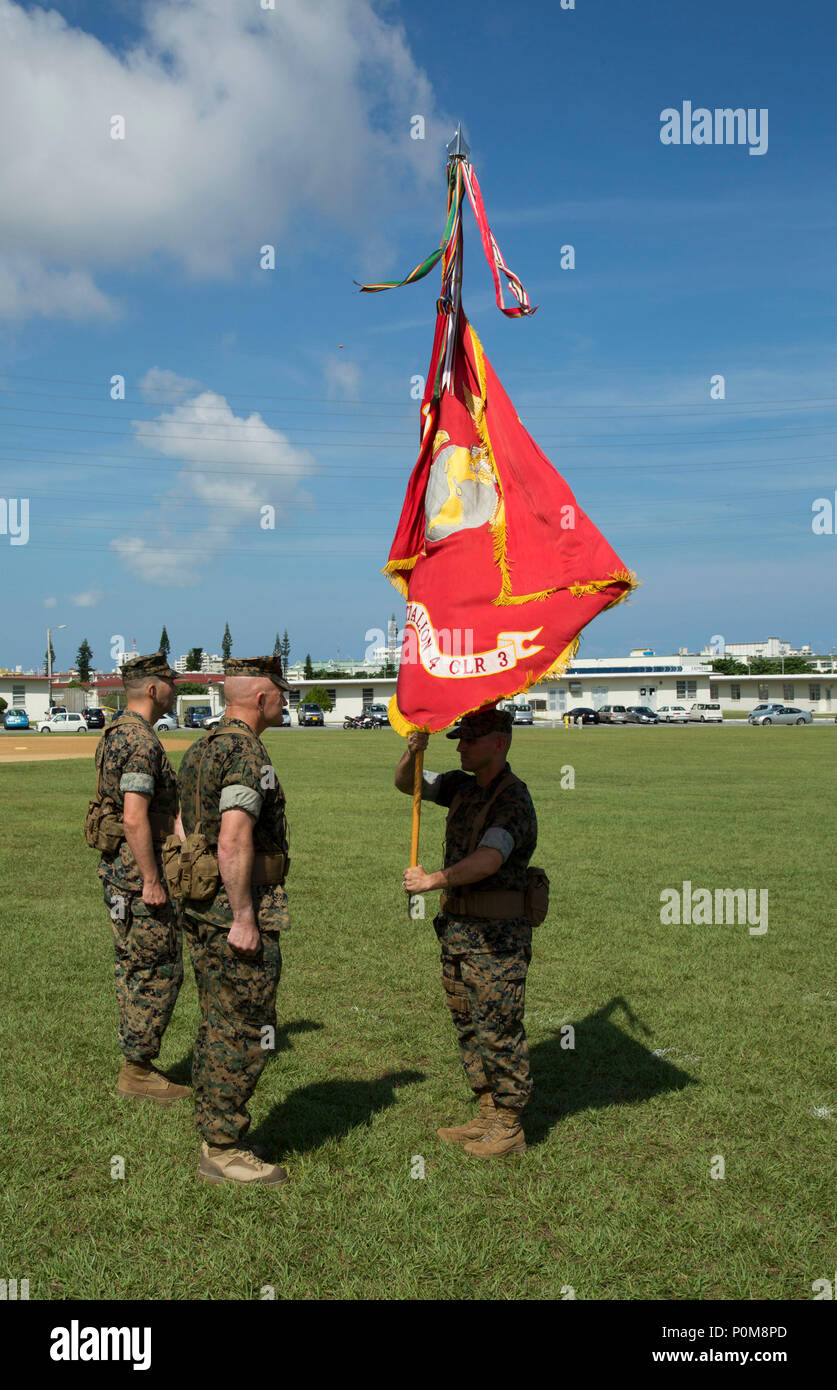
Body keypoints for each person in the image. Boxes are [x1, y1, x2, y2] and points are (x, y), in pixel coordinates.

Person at [396, 707, 537, 1158]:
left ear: (498, 743)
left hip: (497, 939)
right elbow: (408, 783)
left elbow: (489, 860)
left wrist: (431, 880)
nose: (459, 747)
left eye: (468, 741)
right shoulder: (461, 785)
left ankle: (510, 1124)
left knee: (497, 1024)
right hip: (458, 930)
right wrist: (412, 751)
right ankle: (487, 1109)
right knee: (468, 1021)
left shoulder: (513, 800)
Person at [176, 656, 291, 1187]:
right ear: (261, 698)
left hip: (202, 907)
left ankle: (218, 1132)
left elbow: (181, 824)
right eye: (282, 694)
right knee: (242, 1026)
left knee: (215, 1019)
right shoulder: (245, 752)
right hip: (232, 914)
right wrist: (243, 915)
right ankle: (223, 1149)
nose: (286, 702)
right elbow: (234, 837)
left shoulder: (201, 747)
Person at [90, 651, 189, 1104]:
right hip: (137, 877)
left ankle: (136, 1060)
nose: (175, 690)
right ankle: (138, 1069)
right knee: (158, 967)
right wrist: (152, 880)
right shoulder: (140, 741)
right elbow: (134, 819)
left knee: (130, 963)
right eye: (170, 683)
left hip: (117, 875)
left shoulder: (116, 731)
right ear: (153, 689)